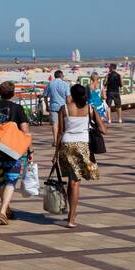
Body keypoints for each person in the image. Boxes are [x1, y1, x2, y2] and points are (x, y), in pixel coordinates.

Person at [0, 81, 33, 225]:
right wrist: (30, 150)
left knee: (0, 179)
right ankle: (4, 210)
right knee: (11, 180)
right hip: (14, 149)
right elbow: (25, 131)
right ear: (13, 93)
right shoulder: (17, 108)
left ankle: (7, 209)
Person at [55, 84, 102, 228]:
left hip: (67, 145)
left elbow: (60, 132)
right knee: (75, 182)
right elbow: (103, 129)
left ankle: (71, 213)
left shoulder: (64, 108)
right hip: (83, 145)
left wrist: (55, 153)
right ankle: (71, 218)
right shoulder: (90, 108)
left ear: (72, 95)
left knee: (71, 180)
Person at [43, 70, 71, 143]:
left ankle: (55, 140)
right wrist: (69, 106)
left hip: (53, 106)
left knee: (55, 124)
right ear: (61, 76)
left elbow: (45, 96)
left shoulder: (50, 84)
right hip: (63, 106)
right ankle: (64, 140)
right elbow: (68, 96)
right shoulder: (65, 84)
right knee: (64, 124)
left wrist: (46, 105)